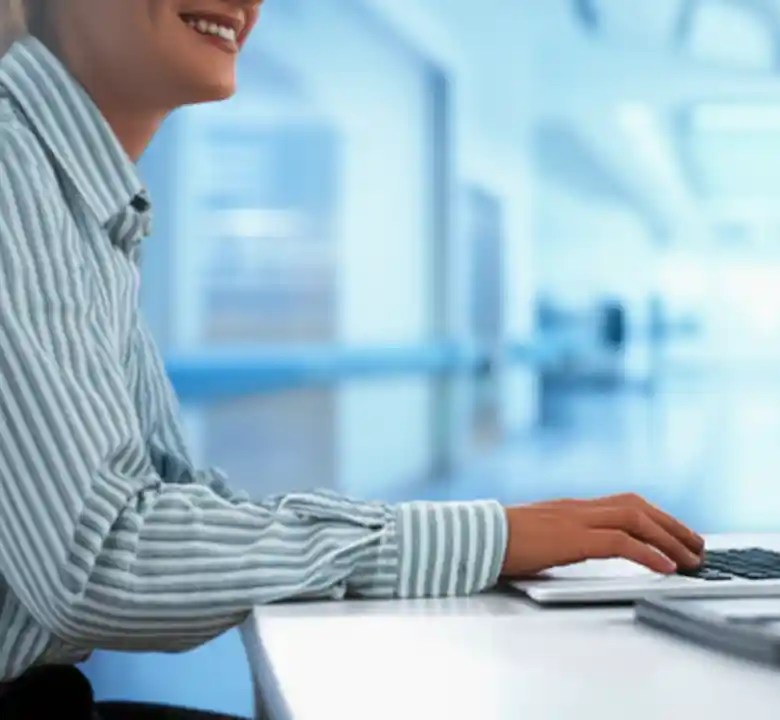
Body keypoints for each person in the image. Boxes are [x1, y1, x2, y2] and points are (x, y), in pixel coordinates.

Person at [0, 1, 704, 718]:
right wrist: (482, 537)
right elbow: (101, 559)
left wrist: (479, 535)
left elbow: (183, 496)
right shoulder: (10, 172)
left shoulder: (89, 212)